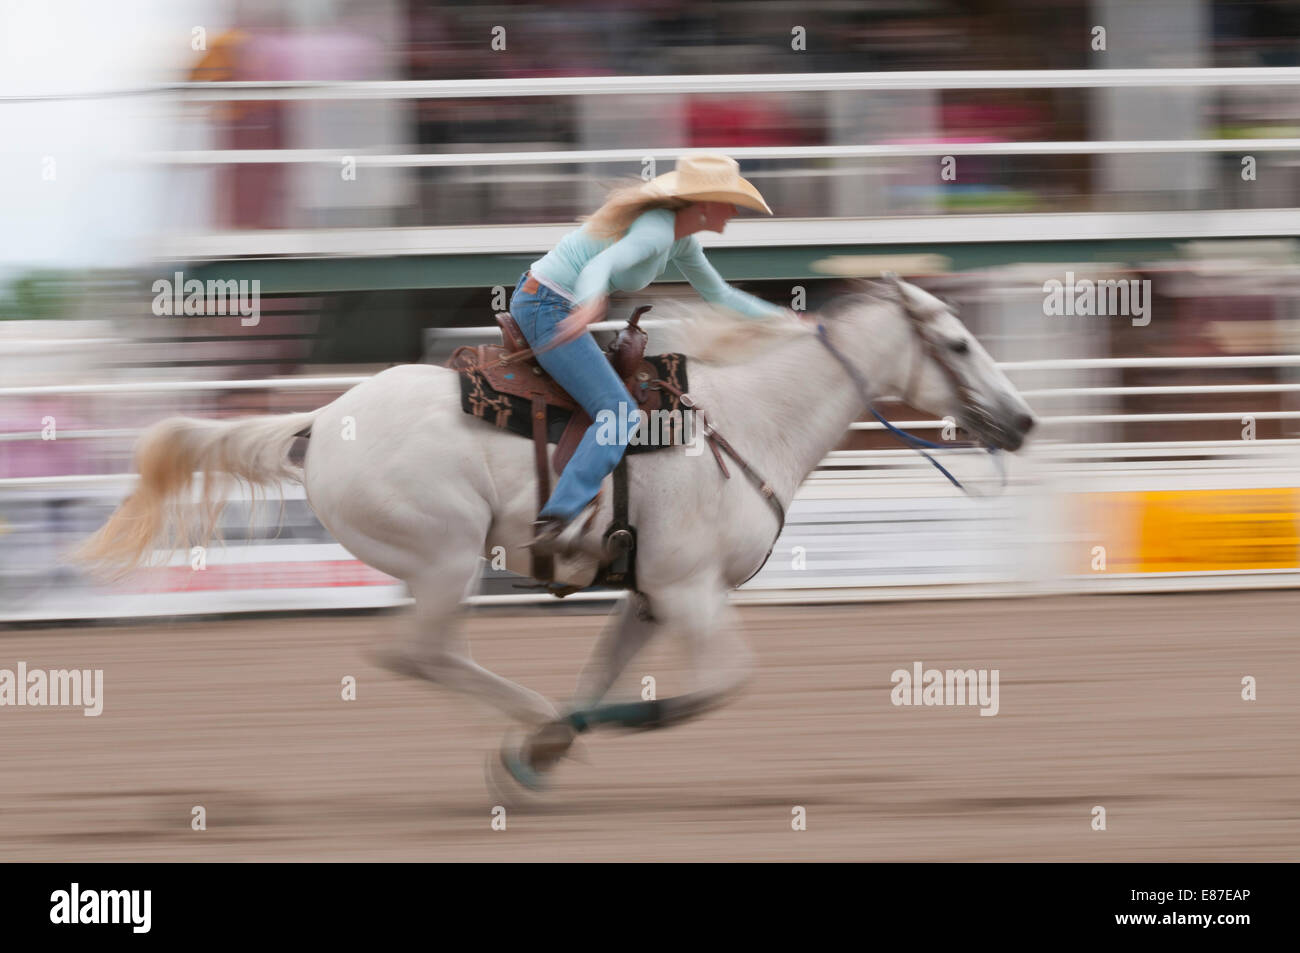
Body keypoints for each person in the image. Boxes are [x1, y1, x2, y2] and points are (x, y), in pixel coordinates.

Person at [509, 154, 797, 555]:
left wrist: (788, 320)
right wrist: (590, 305)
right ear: (705, 204)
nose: (733, 212)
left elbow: (720, 295)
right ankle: (560, 516)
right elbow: (602, 264)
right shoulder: (658, 229)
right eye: (729, 202)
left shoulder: (681, 240)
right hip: (547, 306)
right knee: (620, 412)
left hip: (551, 302)